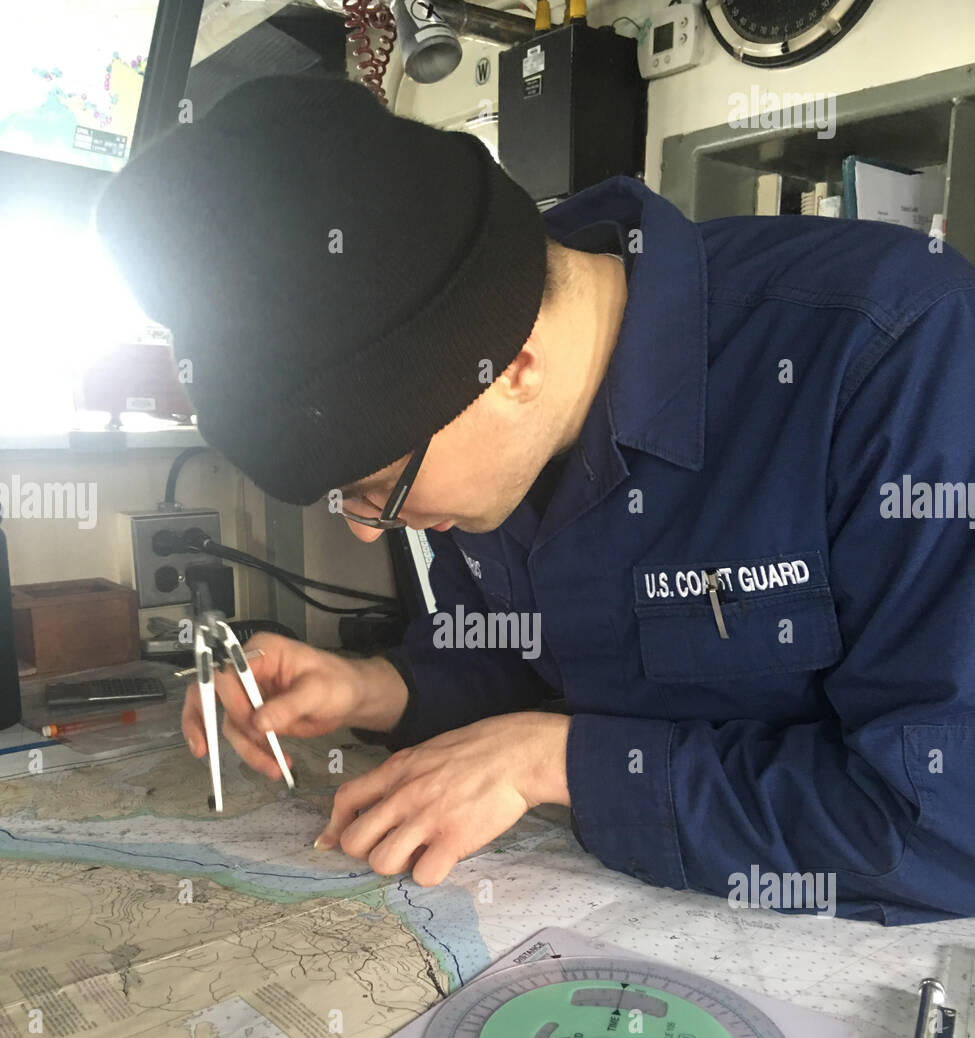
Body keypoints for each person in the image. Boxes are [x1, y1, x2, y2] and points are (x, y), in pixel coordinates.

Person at [96, 75, 975, 924]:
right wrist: (373, 688)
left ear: (509, 366)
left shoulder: (895, 351)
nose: (369, 528)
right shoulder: (483, 426)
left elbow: (941, 822)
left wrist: (556, 763)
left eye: (381, 489)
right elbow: (529, 661)